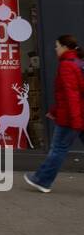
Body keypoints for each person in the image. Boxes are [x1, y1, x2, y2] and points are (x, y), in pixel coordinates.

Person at [25, 35, 84, 192]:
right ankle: (42, 179)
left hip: (71, 118)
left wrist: (75, 120)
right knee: (59, 148)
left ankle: (42, 180)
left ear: (65, 47)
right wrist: (54, 111)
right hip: (76, 113)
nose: (55, 49)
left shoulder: (67, 65)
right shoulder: (78, 62)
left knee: (58, 148)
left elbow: (71, 95)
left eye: (57, 46)